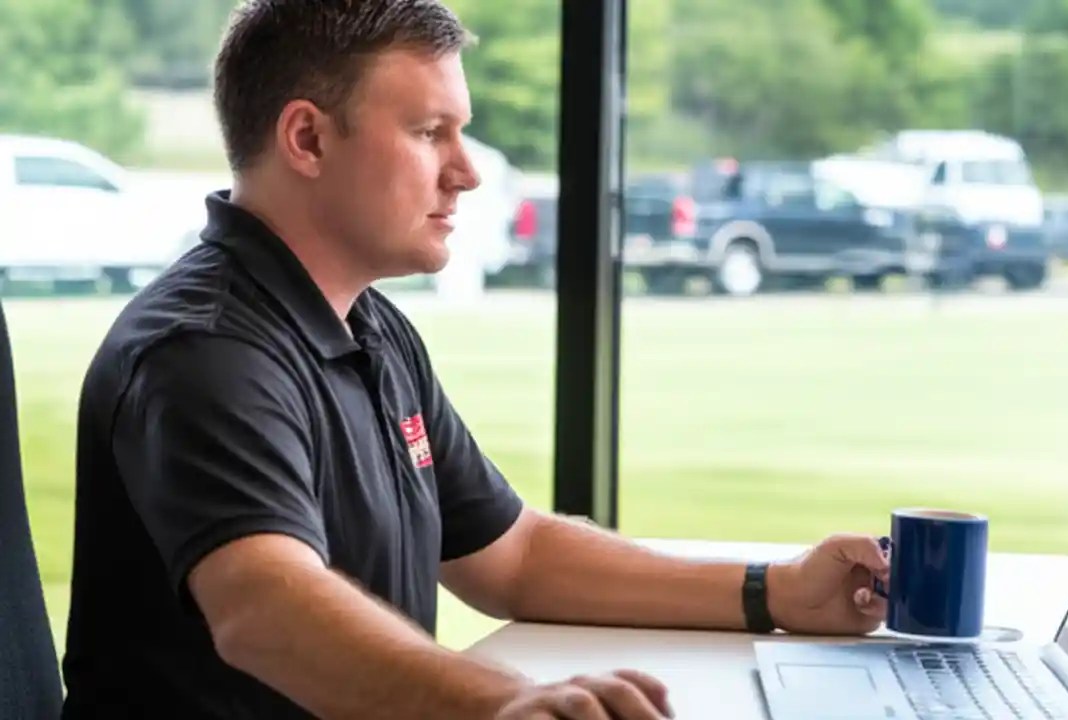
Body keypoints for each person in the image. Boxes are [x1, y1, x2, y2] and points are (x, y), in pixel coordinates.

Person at [59, 2, 890, 718]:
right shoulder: (204, 352)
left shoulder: (370, 329)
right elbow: (263, 609)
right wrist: (503, 703)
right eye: (430, 133)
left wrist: (776, 590)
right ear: (307, 138)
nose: (466, 173)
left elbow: (515, 556)